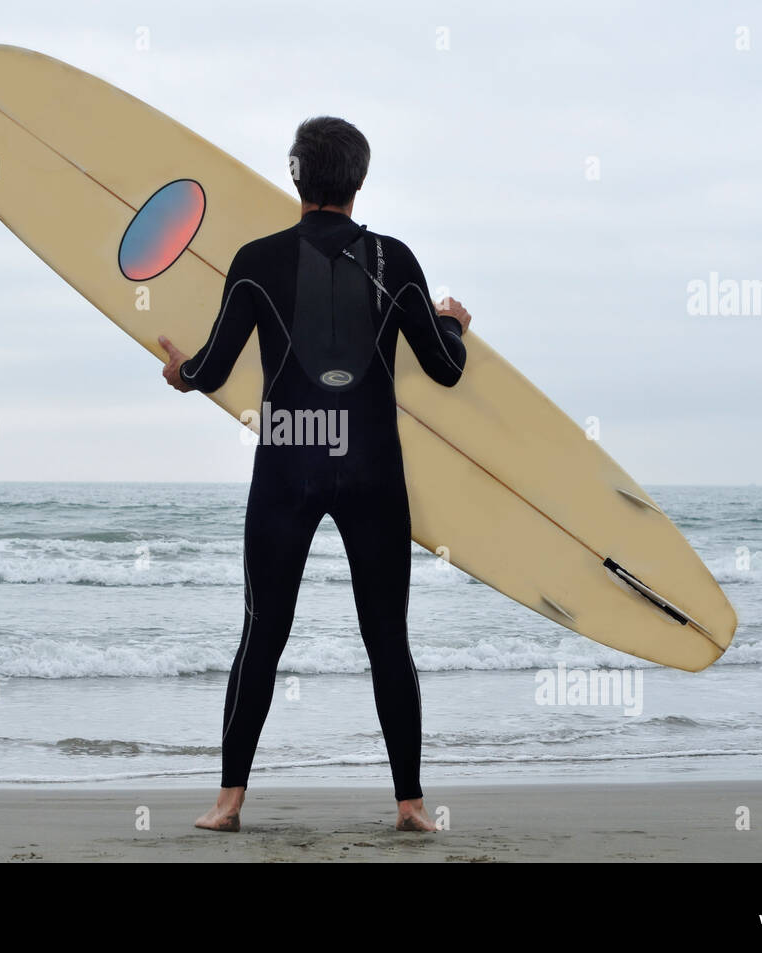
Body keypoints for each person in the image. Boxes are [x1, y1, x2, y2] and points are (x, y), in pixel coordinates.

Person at [158, 116, 471, 832]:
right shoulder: (396, 261)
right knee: (387, 635)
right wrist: (452, 322)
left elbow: (209, 367)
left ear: (297, 176)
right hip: (372, 473)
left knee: (262, 630)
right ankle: (412, 805)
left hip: (286, 468)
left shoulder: (257, 259)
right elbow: (446, 371)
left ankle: (228, 803)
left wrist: (179, 373)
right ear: (360, 181)